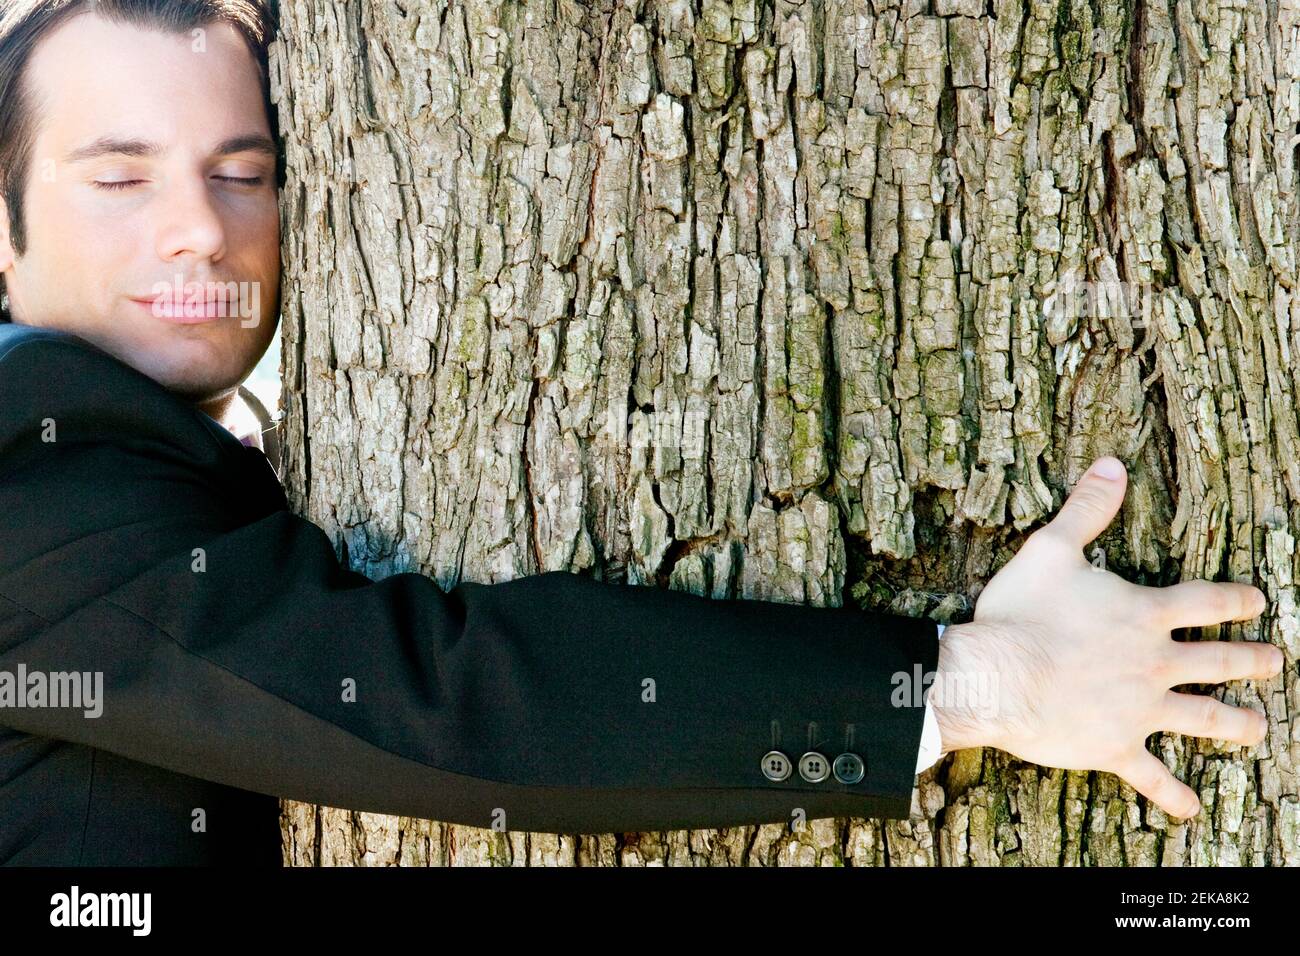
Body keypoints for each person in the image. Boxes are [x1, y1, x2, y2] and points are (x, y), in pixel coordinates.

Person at [0, 0, 1283, 865]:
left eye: (247, 168)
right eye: (118, 175)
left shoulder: (123, 456)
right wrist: (981, 679)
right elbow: (433, 702)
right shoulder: (27, 475)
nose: (201, 227)